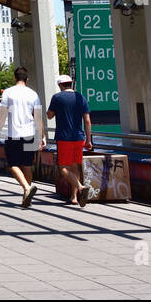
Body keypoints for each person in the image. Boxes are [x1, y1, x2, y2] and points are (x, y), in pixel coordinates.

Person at [0, 67, 46, 208]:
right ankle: (27, 193)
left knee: (13, 164)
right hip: (30, 134)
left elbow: (3, 114)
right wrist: (43, 136)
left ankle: (26, 188)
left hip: (14, 135)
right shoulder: (33, 94)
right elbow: (37, 117)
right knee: (28, 164)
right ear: (27, 79)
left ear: (14, 78)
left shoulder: (8, 92)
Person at [47, 74, 93, 206]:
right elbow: (87, 121)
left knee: (63, 168)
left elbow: (49, 116)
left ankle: (80, 187)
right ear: (70, 83)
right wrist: (88, 140)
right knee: (74, 166)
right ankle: (74, 197)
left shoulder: (57, 97)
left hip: (64, 137)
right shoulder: (81, 97)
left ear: (60, 85)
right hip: (79, 137)